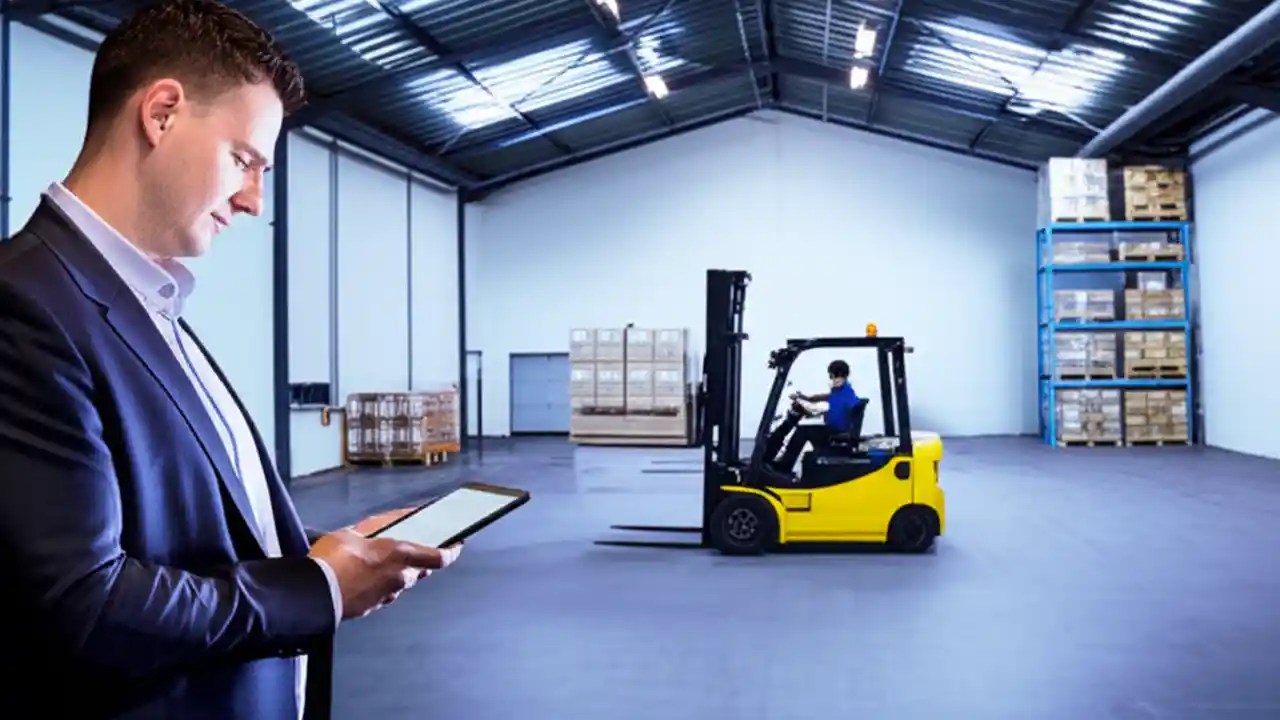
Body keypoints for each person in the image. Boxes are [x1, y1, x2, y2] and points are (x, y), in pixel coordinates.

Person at [0, 1, 459, 718]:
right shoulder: (24, 305)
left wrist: (327, 551)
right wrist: (321, 589)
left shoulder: (145, 306)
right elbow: (85, 604)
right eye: (244, 160)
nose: (253, 200)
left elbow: (182, 540)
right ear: (162, 113)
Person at [768, 359, 861, 474]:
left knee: (803, 431)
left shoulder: (844, 393)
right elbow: (827, 397)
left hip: (836, 431)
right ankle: (784, 466)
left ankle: (784, 468)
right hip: (835, 429)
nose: (835, 379)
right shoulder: (843, 391)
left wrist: (807, 409)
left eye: (835, 375)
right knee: (807, 429)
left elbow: (830, 409)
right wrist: (806, 398)